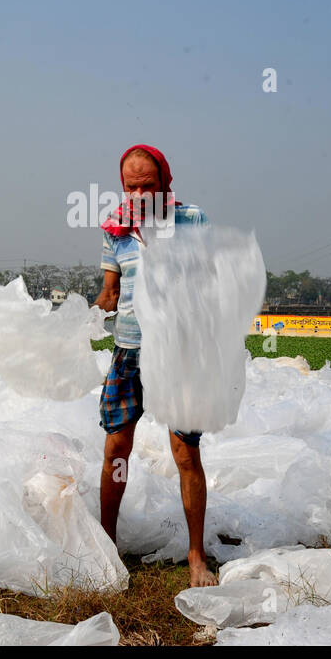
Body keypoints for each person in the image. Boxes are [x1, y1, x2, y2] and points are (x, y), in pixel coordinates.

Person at [92, 144, 219, 587]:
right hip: (128, 350)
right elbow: (111, 292)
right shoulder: (116, 230)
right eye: (132, 187)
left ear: (165, 181)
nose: (140, 194)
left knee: (186, 452)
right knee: (116, 449)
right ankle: (106, 545)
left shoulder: (192, 220)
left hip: (178, 352)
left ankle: (196, 555)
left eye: (148, 186)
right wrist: (79, 317)